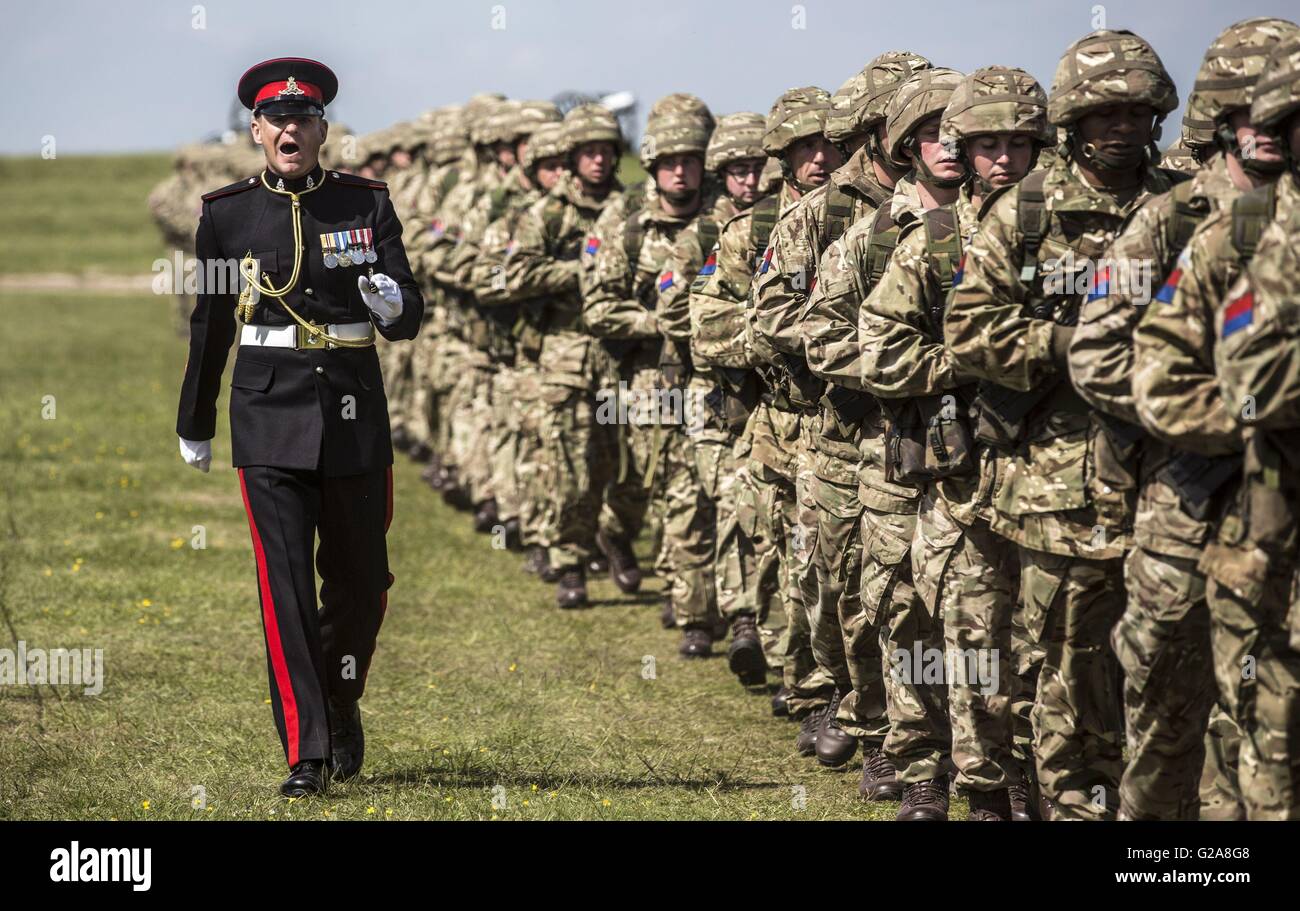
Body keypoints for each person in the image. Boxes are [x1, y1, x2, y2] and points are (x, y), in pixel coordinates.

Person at [944, 29, 1184, 820]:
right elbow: (969, 333)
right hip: (1058, 486)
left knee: (1161, 666)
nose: (1120, 126)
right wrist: (1065, 343)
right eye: (1103, 112)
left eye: (1135, 111)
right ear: (1075, 122)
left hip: (1171, 474)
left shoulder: (1185, 207)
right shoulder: (1027, 214)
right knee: (1067, 668)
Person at [175, 57, 424, 797]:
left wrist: (387, 302)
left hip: (351, 414)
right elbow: (210, 323)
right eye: (277, 120)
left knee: (362, 583)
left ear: (323, 130)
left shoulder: (366, 203)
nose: (291, 129)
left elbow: (409, 312)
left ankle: (339, 695)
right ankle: (306, 752)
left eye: (304, 119)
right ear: (256, 131)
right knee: (284, 588)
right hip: (267, 415)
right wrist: (195, 419)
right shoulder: (226, 214)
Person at [1073, 17, 1297, 820]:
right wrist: (1240, 419)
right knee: (1169, 708)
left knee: (1271, 719)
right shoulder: (1175, 218)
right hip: (1186, 502)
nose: (1265, 132)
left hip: (1282, 512)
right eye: (1247, 113)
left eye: (1279, 116)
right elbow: (1100, 356)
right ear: (1218, 119)